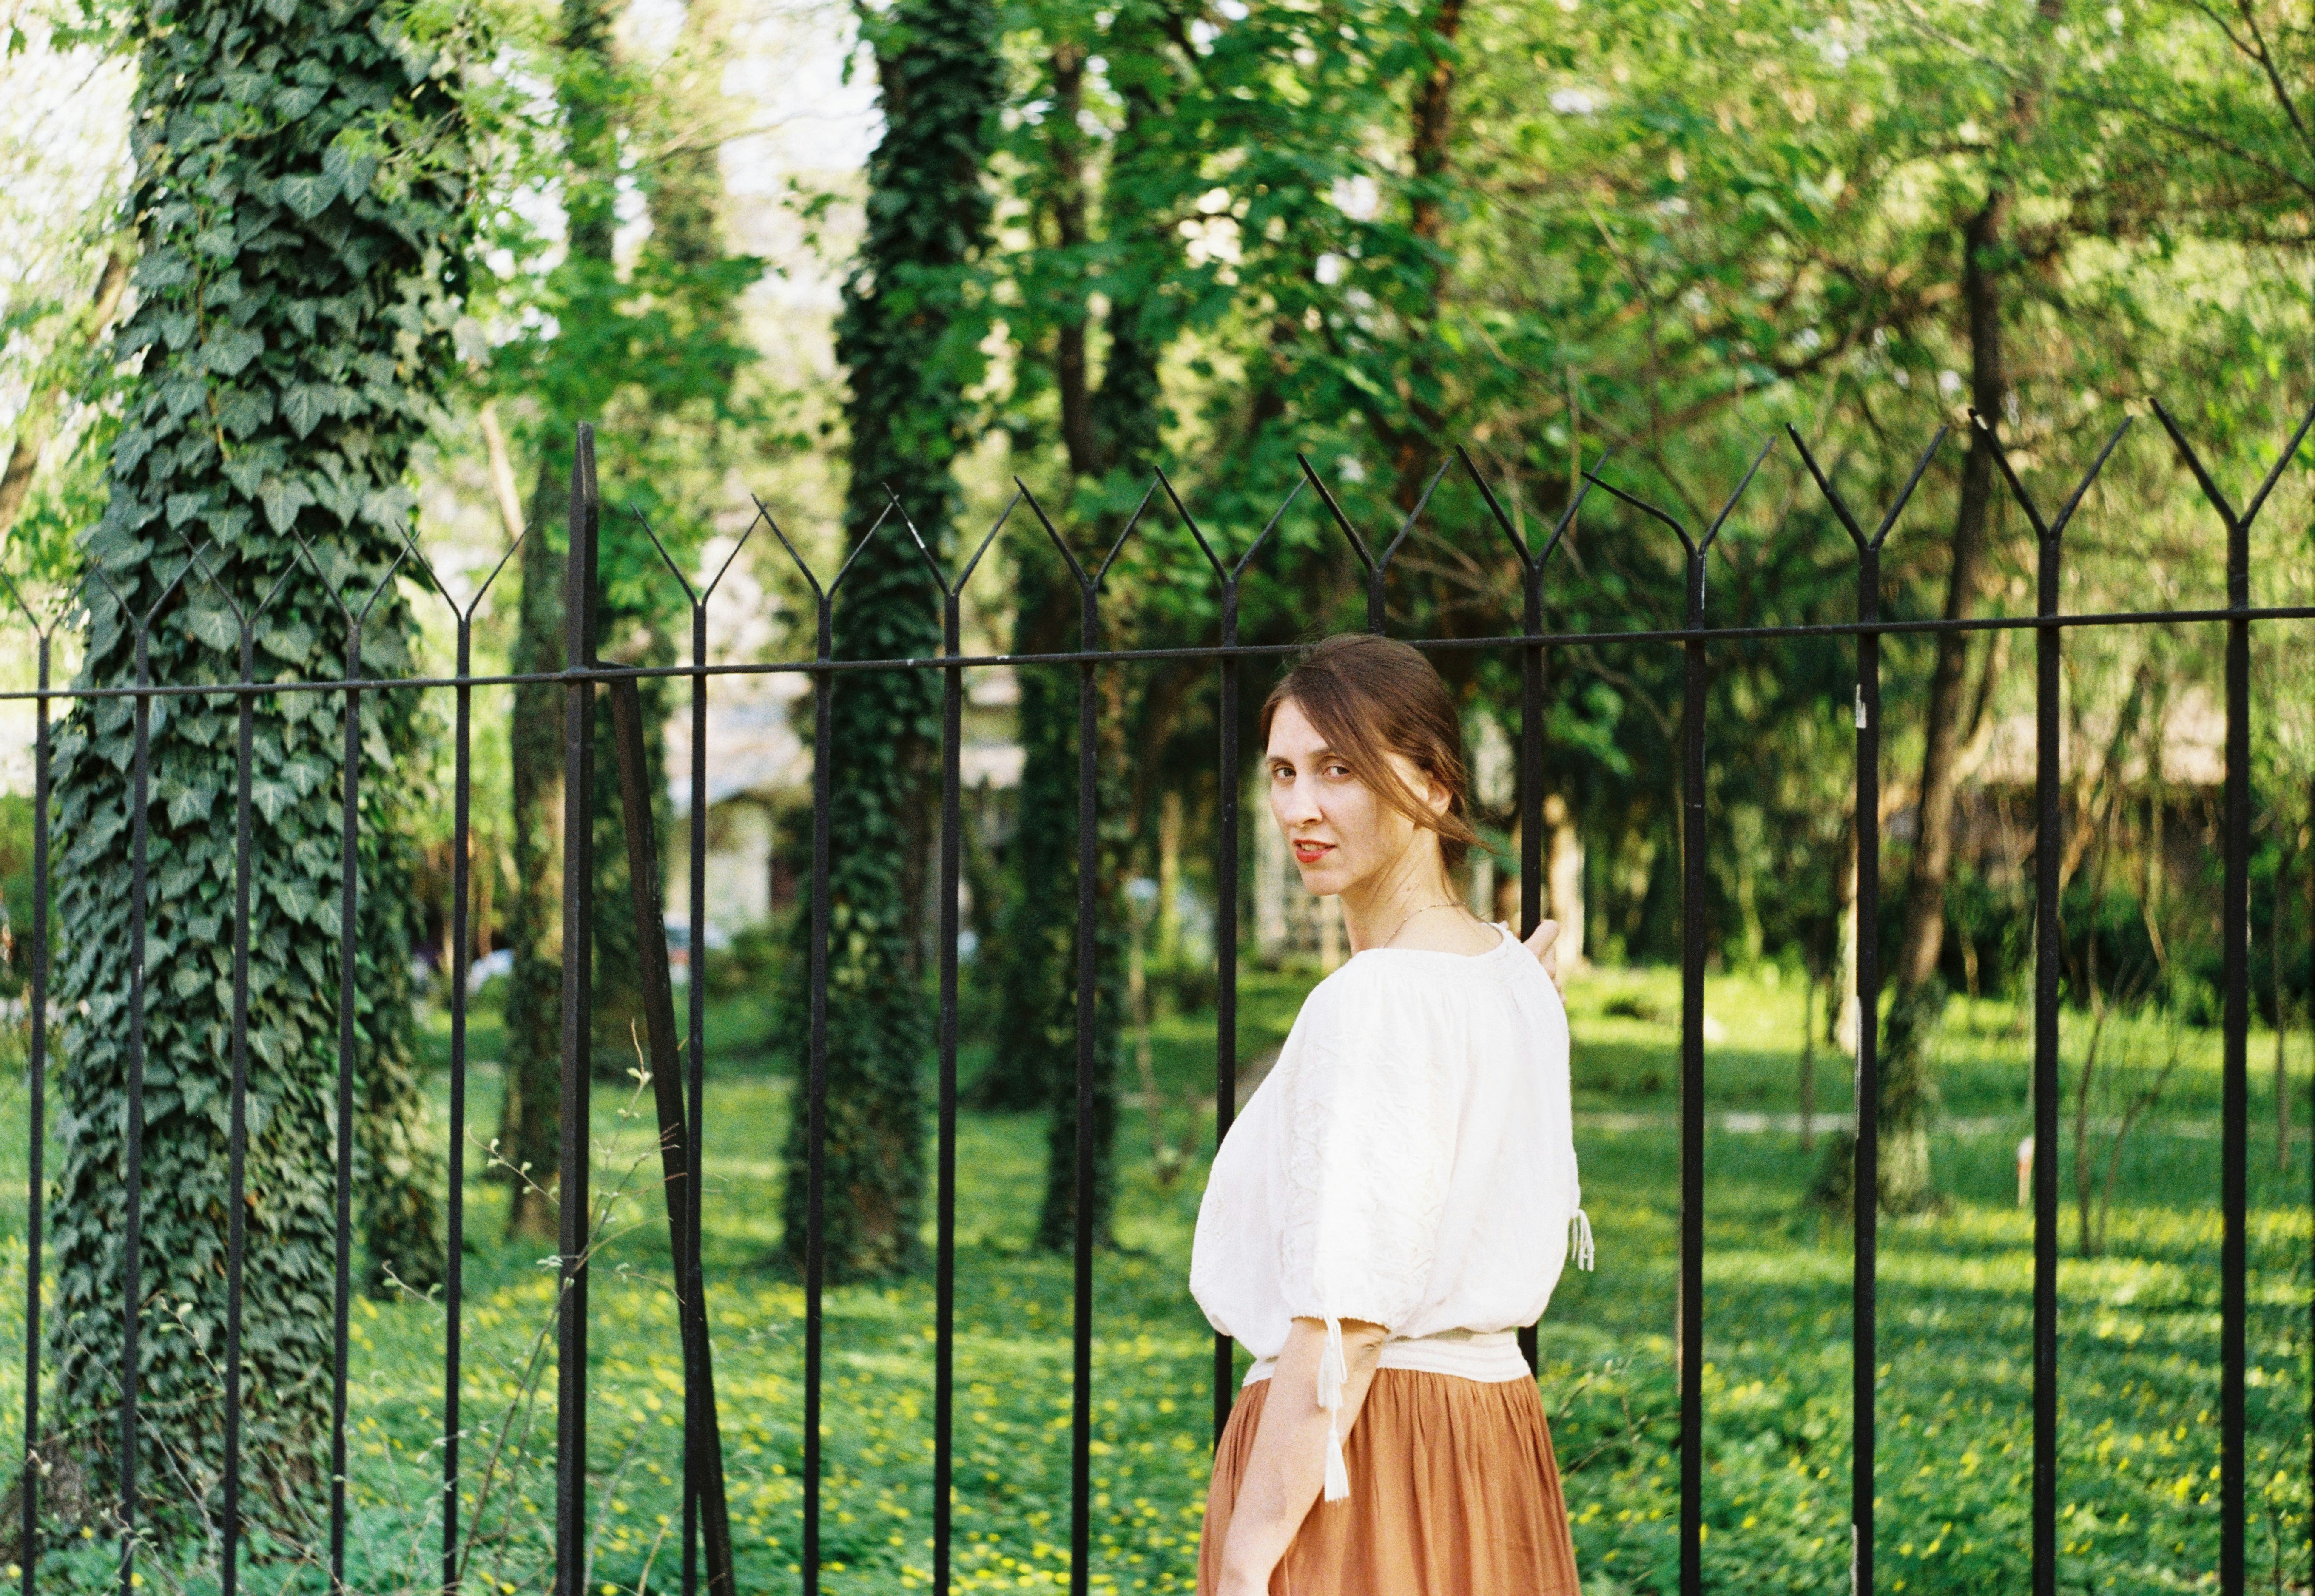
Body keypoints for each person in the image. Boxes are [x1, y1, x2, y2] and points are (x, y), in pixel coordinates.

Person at [1190, 631, 1590, 1596]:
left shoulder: (1377, 999)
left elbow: (1346, 1324)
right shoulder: (1504, 980)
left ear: (1437, 786)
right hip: (1485, 1450)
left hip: (1366, 1461)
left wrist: (1245, 1564)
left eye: (1341, 768)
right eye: (1282, 770)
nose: (1300, 805)